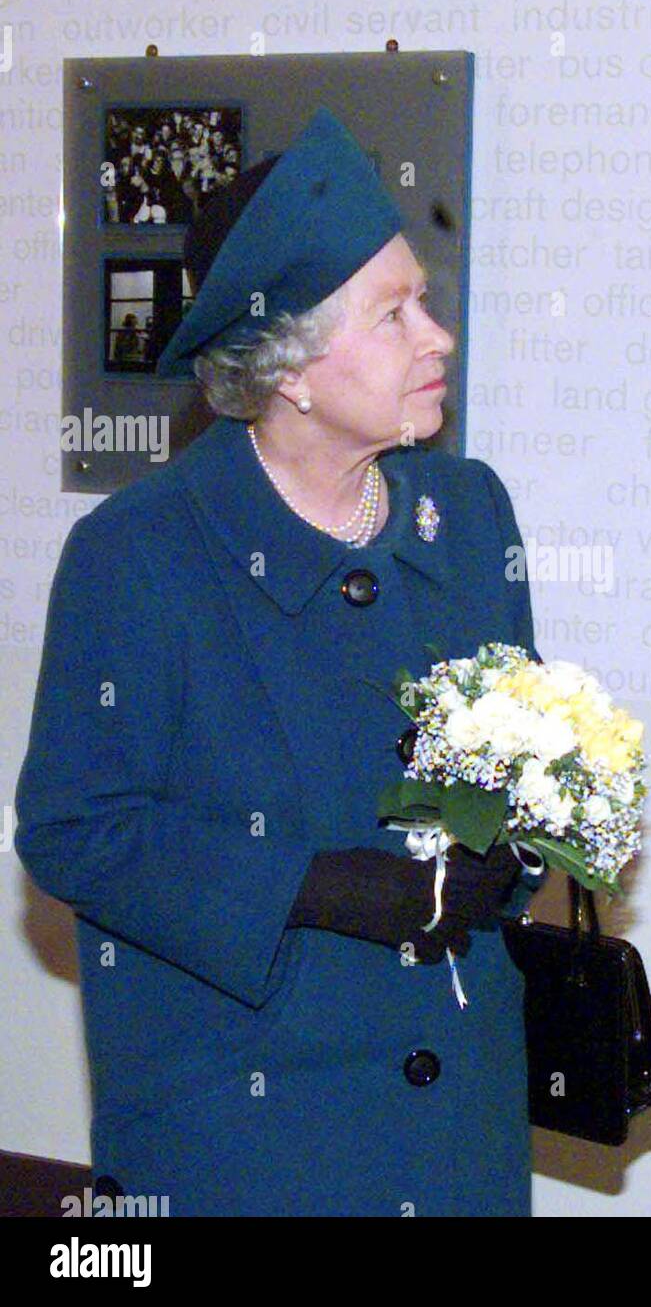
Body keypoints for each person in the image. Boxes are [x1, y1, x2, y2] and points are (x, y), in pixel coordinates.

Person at [15, 107, 546, 1216]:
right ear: (291, 371)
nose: (436, 335)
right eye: (393, 314)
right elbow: (74, 827)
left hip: (456, 1119)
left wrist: (524, 845)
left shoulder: (469, 506)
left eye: (424, 299)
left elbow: (526, 747)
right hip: (250, 1138)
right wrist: (317, 886)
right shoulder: (140, 556)